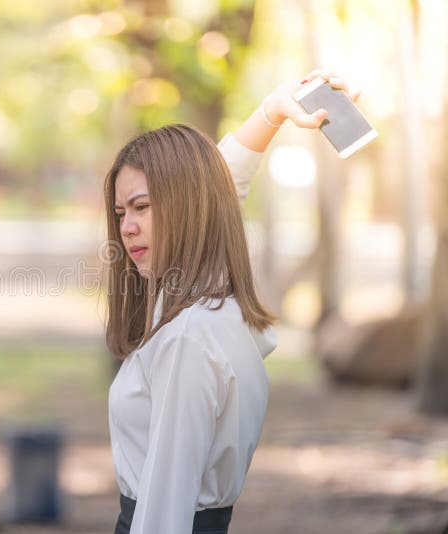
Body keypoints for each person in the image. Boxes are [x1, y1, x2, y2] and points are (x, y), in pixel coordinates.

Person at [106, 69, 361, 534]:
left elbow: (166, 507)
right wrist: (273, 111)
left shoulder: (187, 338)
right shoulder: (206, 305)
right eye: (121, 212)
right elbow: (220, 184)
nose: (127, 227)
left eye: (142, 207)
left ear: (188, 208)